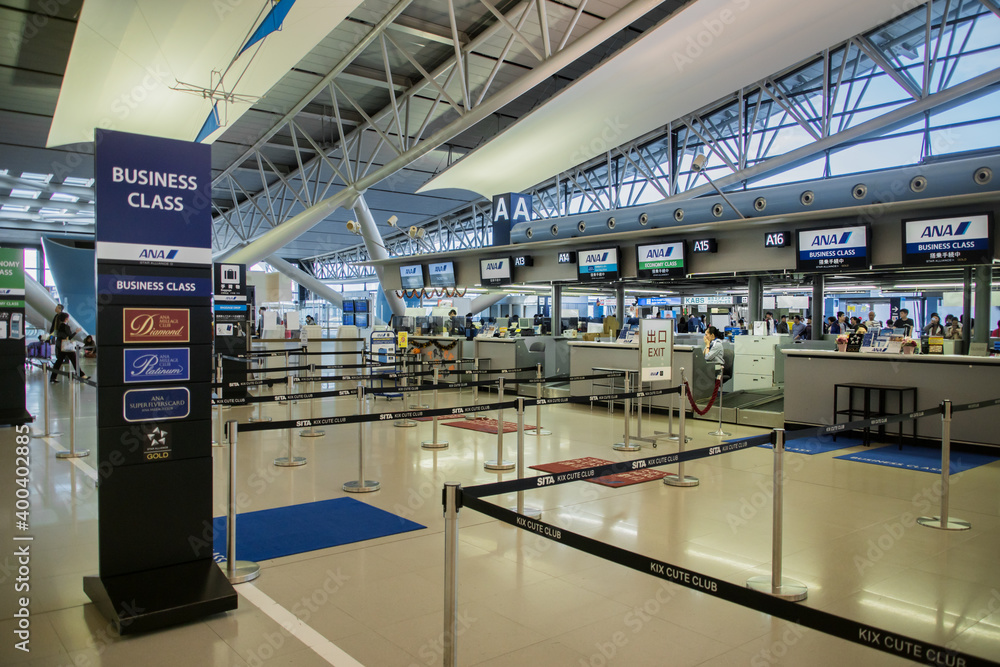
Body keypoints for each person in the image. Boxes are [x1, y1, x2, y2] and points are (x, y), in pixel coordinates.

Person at [50, 312, 88, 382]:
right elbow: (69, 336)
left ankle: (53, 377)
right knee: (74, 360)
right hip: (66, 347)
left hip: (61, 346)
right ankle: (81, 375)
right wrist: (76, 332)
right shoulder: (65, 326)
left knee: (59, 362)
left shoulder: (58, 326)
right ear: (66, 319)